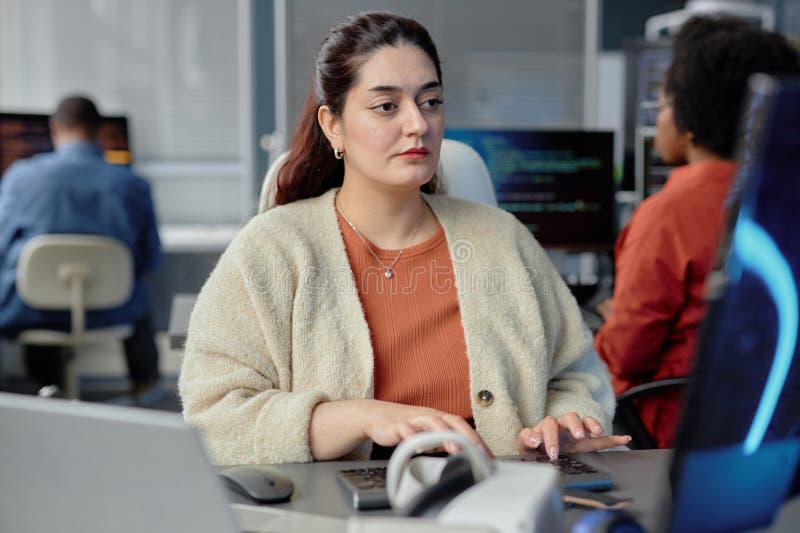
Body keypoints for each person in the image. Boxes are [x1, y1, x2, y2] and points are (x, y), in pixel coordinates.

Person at [179, 12, 628, 465]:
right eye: (387, 106)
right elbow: (212, 420)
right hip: (338, 511)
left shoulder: (501, 238)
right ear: (333, 126)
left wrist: (568, 421)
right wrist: (358, 417)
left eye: (430, 101)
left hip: (497, 500)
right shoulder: (272, 249)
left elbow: (576, 376)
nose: (418, 124)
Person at [594, 17, 800, 448]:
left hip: (677, 436)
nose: (660, 116)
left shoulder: (668, 214)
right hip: (772, 430)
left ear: (688, 118)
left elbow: (627, 354)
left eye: (663, 102)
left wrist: (608, 322)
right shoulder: (783, 200)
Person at [0, 95, 162, 395]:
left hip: (31, 309)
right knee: (140, 294)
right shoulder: (133, 185)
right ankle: (145, 386)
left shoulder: (20, 178)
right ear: (99, 131)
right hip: (113, 309)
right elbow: (151, 259)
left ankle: (45, 388)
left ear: (54, 128)